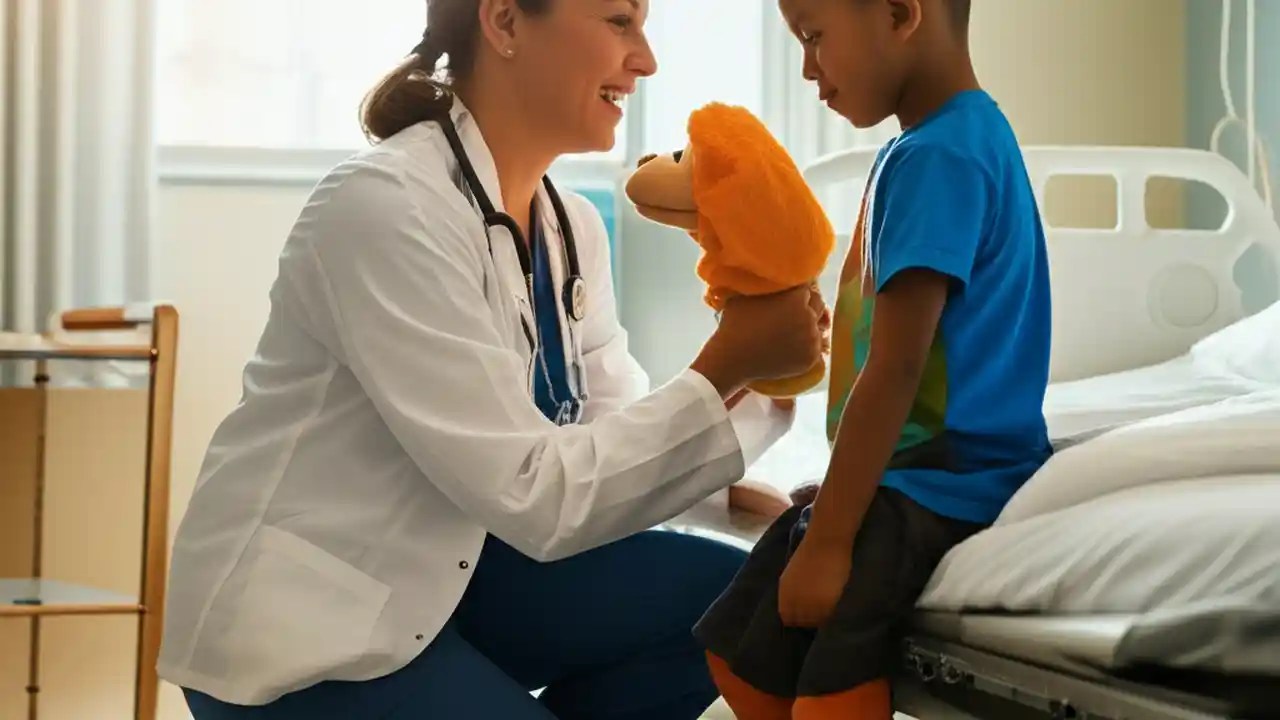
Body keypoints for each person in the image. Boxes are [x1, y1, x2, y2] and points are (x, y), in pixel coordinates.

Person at [157, 1, 828, 718]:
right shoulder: (385, 208)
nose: (646, 59)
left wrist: (773, 493)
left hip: (456, 582)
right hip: (308, 632)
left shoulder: (570, 228)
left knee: (737, 602)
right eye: (618, 22)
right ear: (505, 22)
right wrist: (729, 361)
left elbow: (612, 439)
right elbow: (538, 495)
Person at [692, 0, 1056, 718]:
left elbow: (894, 371)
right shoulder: (949, 139)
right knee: (737, 642)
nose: (807, 69)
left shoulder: (938, 155)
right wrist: (835, 499)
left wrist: (832, 539)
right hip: (917, 476)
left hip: (944, 490)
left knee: (824, 665)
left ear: (898, 12)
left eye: (815, 37)